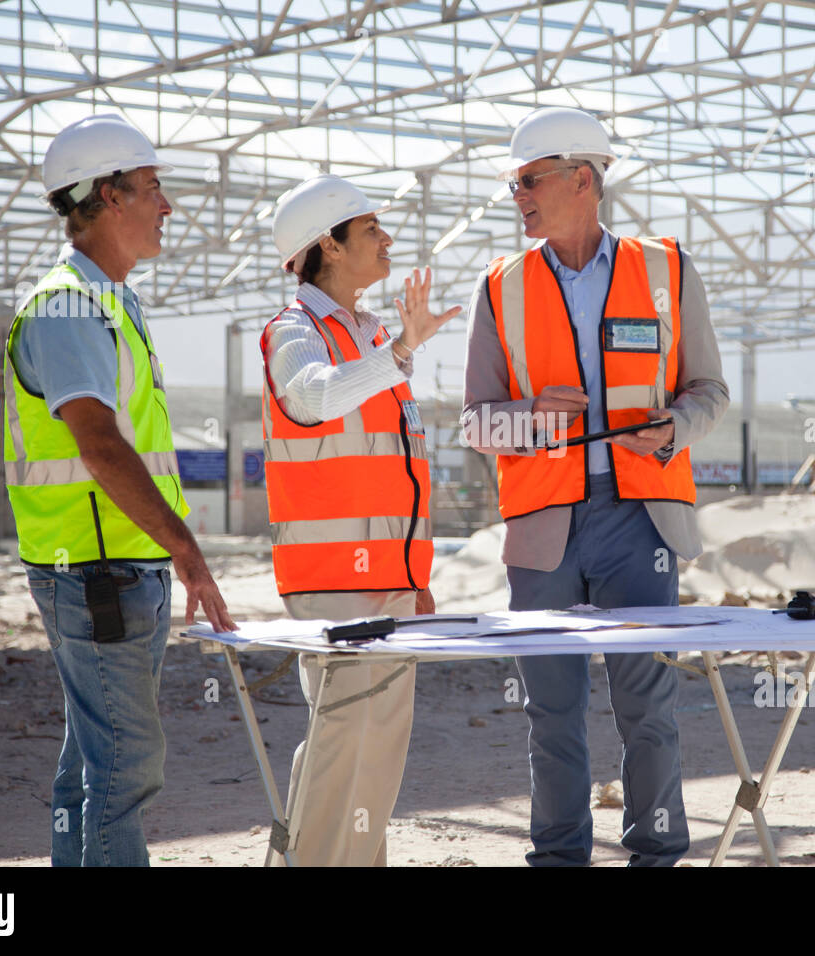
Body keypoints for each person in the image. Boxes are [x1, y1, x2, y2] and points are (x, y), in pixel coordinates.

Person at [461, 106, 729, 867]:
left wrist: (673, 427)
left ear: (583, 180)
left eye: (527, 181)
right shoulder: (500, 286)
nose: (518, 197)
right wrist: (531, 418)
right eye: (515, 184)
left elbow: (710, 391)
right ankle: (559, 857)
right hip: (543, 525)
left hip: (640, 523)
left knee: (648, 705)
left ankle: (657, 853)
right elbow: (478, 425)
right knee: (552, 710)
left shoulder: (667, 270)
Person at [5, 113, 236, 866]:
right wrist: (187, 548)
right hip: (97, 571)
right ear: (108, 195)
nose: (167, 205)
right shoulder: (69, 304)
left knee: (93, 765)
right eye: (154, 188)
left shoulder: (111, 299)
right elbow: (99, 445)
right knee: (123, 768)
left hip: (112, 566)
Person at [261, 174, 459, 866]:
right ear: (330, 247)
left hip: (392, 584)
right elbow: (313, 399)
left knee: (376, 753)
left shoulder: (371, 336)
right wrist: (399, 354)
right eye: (371, 228)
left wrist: (414, 574)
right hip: (334, 585)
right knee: (342, 742)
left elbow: (393, 474)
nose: (388, 239)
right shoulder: (295, 331)